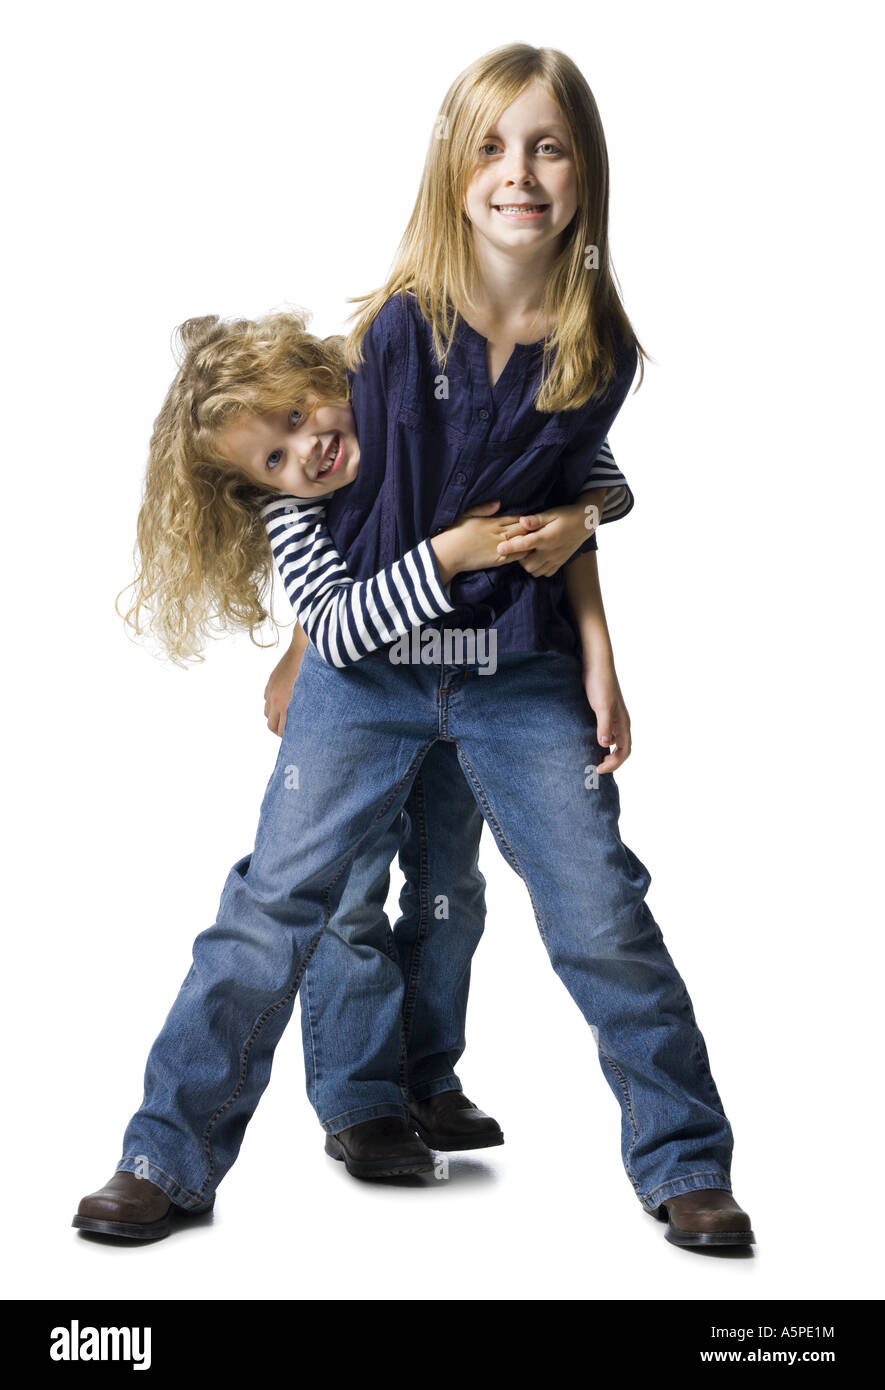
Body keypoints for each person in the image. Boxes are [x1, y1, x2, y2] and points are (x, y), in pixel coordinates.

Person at [76, 40, 754, 1249]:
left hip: (517, 675)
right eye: (492, 148)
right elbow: (351, 526)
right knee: (277, 902)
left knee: (596, 910)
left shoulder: (597, 344)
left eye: (548, 146)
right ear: (452, 173)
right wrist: (431, 570)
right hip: (367, 679)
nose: (520, 173)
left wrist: (593, 622)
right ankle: (167, 1157)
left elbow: (580, 486)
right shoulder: (390, 340)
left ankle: (685, 1159)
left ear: (585, 171)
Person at [73, 308, 627, 1237]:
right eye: (273, 461)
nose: (304, 455)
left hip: (488, 674)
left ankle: (424, 1079)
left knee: (451, 889)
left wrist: (577, 522)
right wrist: (311, 645)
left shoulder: (411, 403)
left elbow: (579, 465)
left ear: (323, 377)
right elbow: (339, 588)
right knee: (327, 896)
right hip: (362, 686)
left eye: (296, 421)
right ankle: (325, 1112)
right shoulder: (302, 499)